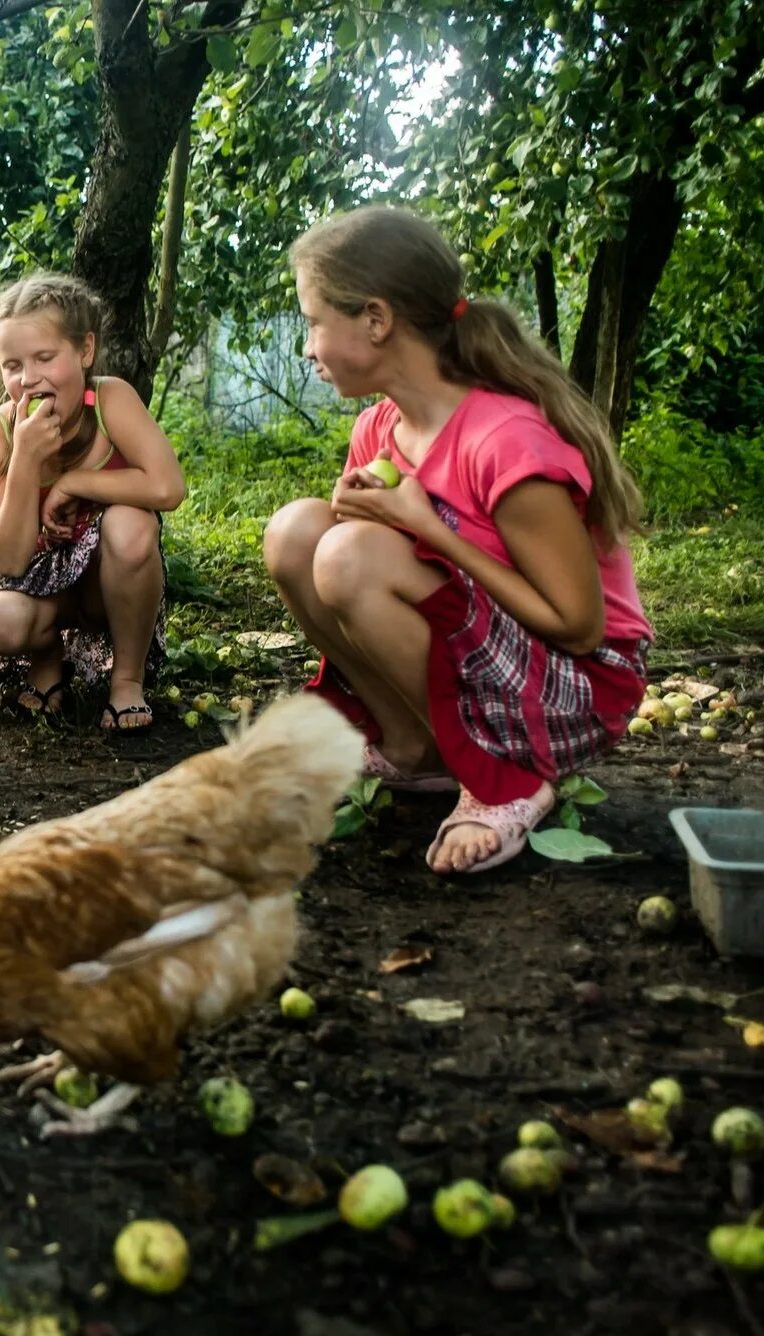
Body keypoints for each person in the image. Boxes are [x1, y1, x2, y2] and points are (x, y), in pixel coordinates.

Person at [263, 204, 652, 874]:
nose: (307, 348)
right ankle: (413, 746)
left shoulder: (504, 439)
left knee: (346, 553)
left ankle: (506, 777)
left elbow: (582, 628)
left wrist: (422, 526)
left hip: (578, 687)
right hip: (488, 661)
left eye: (314, 323)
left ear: (377, 320)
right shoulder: (381, 428)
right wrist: (383, 522)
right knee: (298, 532)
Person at [0, 272, 186, 731]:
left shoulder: (111, 401)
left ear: (85, 351)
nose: (29, 378)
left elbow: (169, 489)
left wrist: (74, 482)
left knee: (132, 523)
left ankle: (126, 681)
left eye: (45, 357)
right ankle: (47, 661)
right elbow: (6, 559)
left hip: (106, 586)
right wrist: (26, 462)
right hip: (34, 585)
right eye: (12, 365)